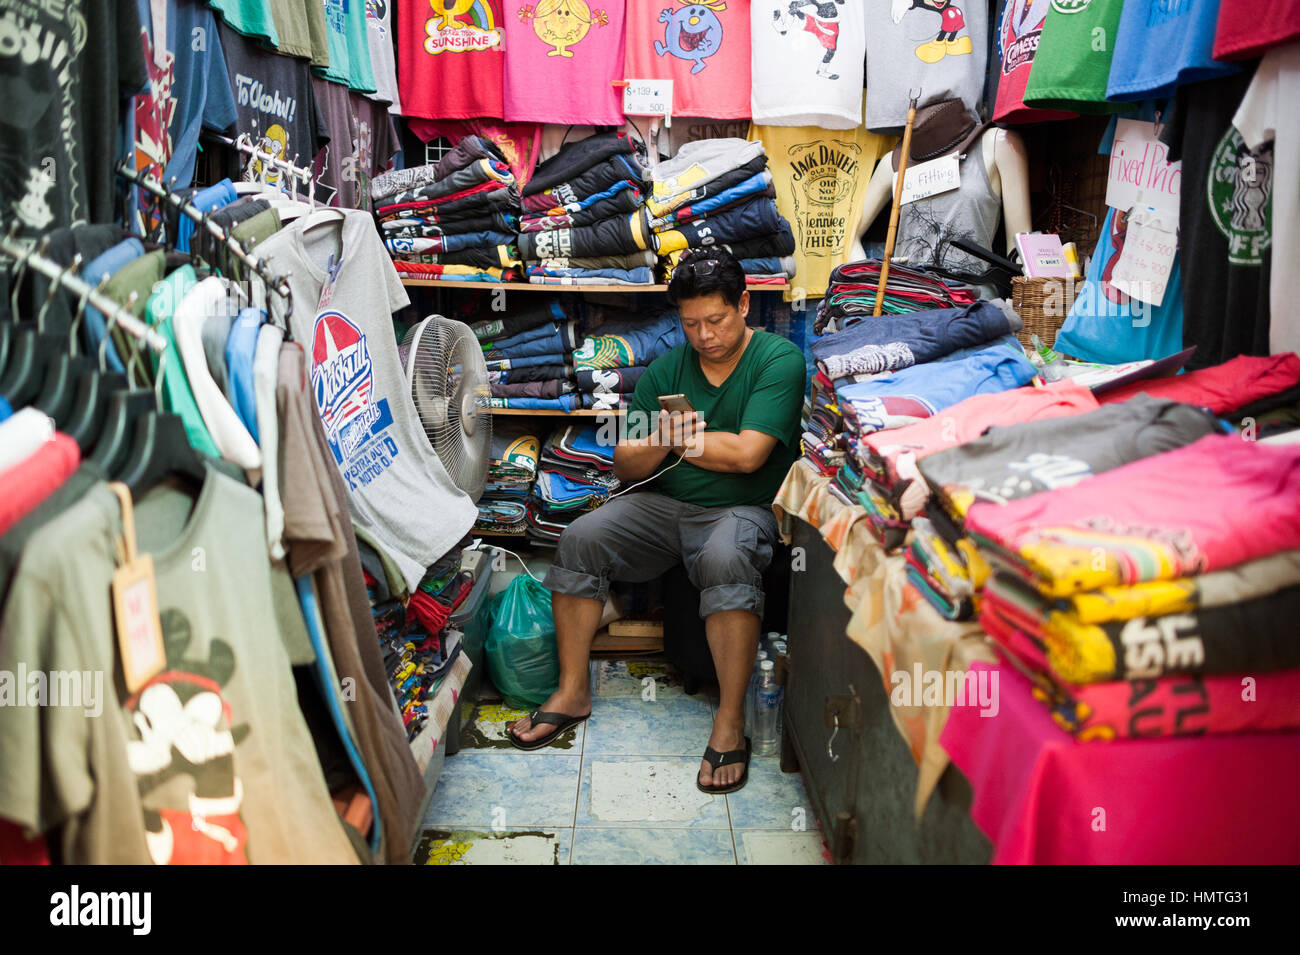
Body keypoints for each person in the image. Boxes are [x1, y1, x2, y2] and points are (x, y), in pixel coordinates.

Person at [507, 248, 807, 794]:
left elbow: (748, 456)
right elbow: (626, 463)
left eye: (715, 320)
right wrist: (666, 441)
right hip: (666, 507)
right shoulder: (668, 368)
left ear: (744, 305)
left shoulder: (777, 360)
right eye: (691, 324)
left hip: (743, 509)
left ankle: (729, 721)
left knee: (725, 556)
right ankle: (573, 691)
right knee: (582, 537)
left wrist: (674, 442)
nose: (704, 336)